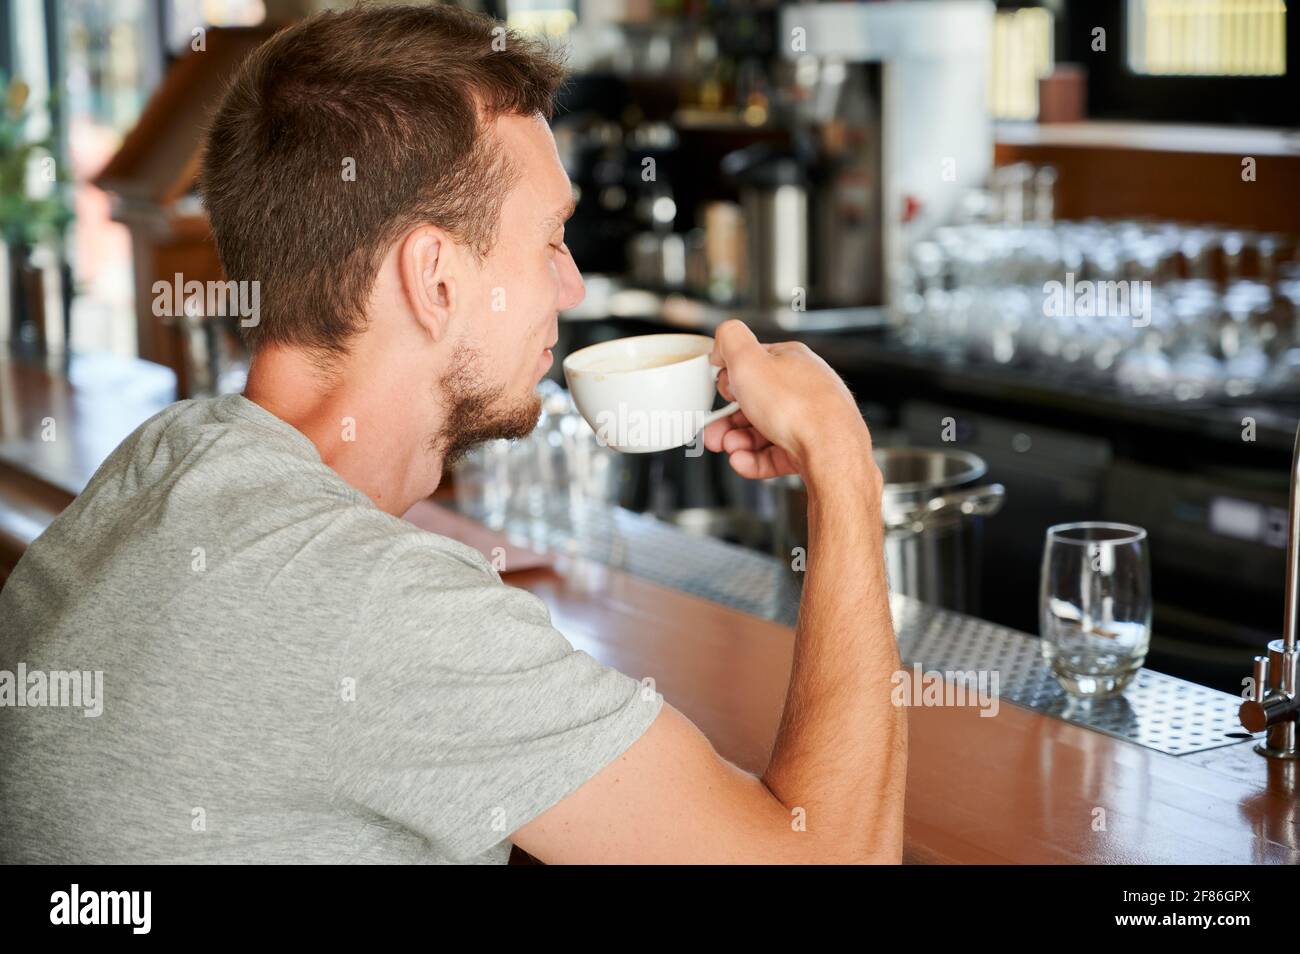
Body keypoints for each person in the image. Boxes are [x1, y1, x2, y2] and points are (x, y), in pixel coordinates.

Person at [0, 4, 904, 864]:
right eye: (550, 239)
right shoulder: (379, 607)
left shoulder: (158, 462)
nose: (573, 286)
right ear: (434, 278)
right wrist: (842, 459)